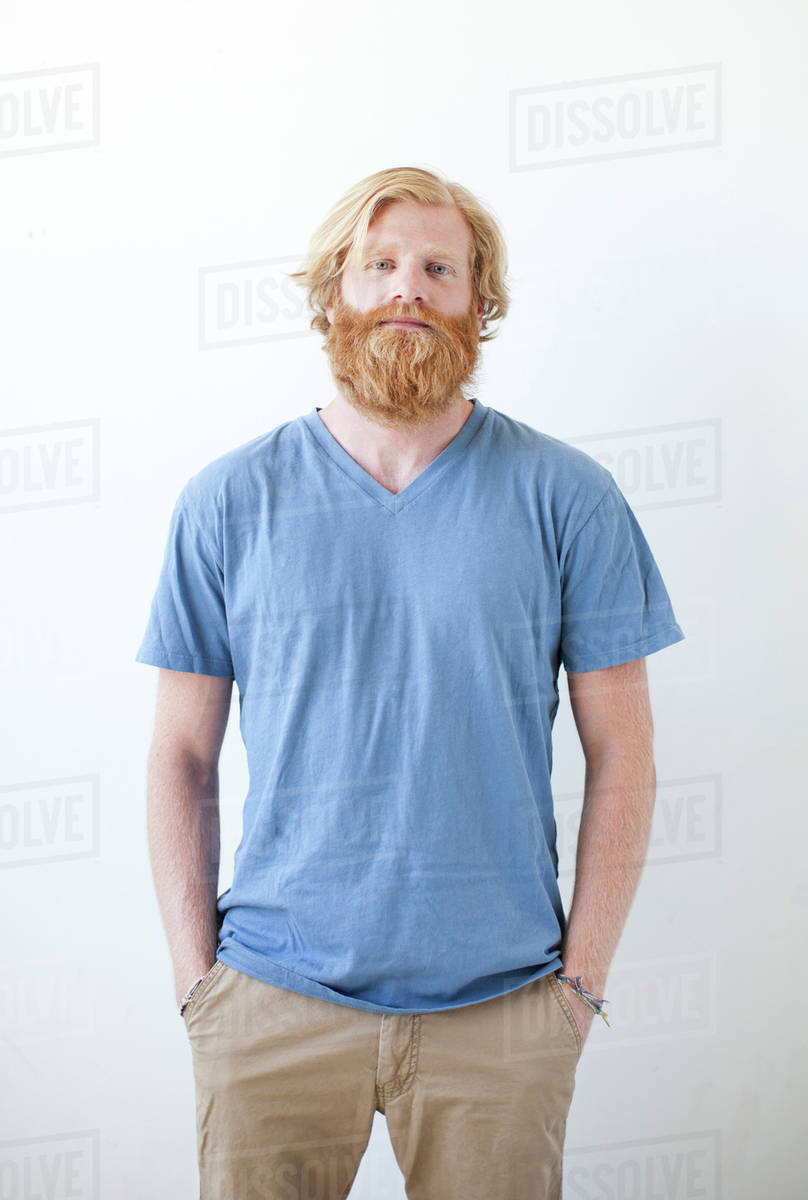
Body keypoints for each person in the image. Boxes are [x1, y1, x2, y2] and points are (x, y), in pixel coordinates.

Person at [135, 165, 685, 1200]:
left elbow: (625, 753)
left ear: (481, 302)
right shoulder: (227, 502)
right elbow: (180, 754)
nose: (409, 290)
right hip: (270, 1000)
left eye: (441, 268)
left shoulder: (569, 497)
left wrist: (582, 982)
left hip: (503, 1009)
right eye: (379, 265)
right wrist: (195, 979)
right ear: (331, 294)